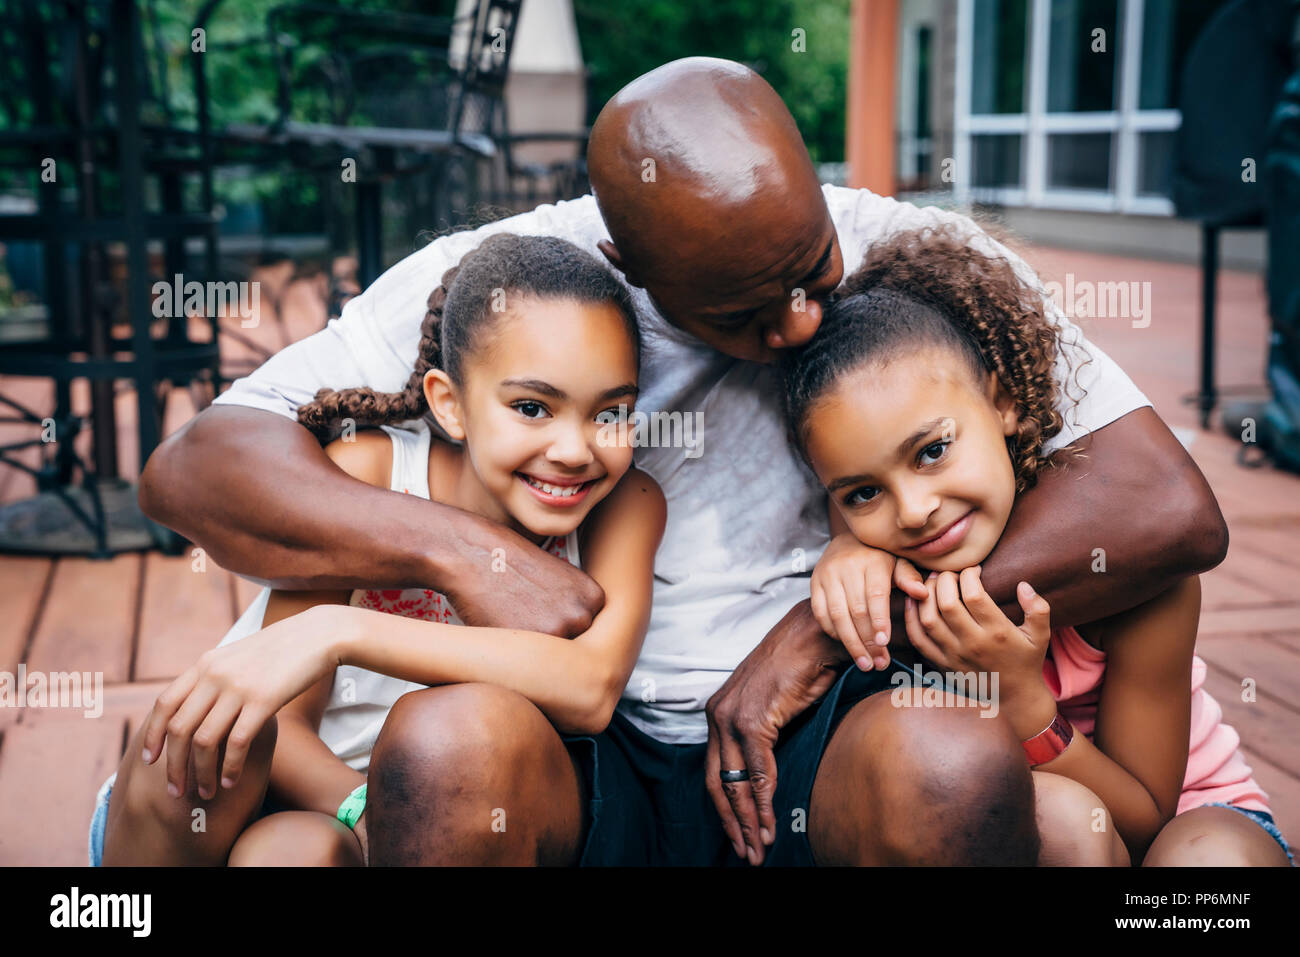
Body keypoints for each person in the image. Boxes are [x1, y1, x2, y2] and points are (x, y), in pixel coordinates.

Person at [136, 58, 1227, 865]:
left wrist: (821, 632)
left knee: (949, 760)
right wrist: (470, 554)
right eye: (745, 312)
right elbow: (197, 468)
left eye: (812, 269)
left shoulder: (904, 256)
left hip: (825, 732)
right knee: (446, 745)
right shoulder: (521, 290)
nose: (801, 324)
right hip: (569, 752)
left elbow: (1162, 507)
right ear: (631, 268)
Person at [92, 235, 665, 865]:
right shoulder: (370, 474)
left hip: (461, 805)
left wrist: (341, 632)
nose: (575, 449)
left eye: (611, 413)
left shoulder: (625, 504)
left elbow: (590, 688)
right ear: (450, 404)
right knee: (289, 849)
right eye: (532, 407)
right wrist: (361, 807)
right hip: (284, 798)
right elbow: (280, 727)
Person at [796, 225, 1292, 867]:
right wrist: (844, 554)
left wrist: (1024, 700)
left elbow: (1145, 822)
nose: (914, 511)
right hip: (1020, 829)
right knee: (1062, 823)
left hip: (1179, 818)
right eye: (862, 493)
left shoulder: (1133, 574)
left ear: (1002, 403)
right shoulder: (874, 563)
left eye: (933, 451)